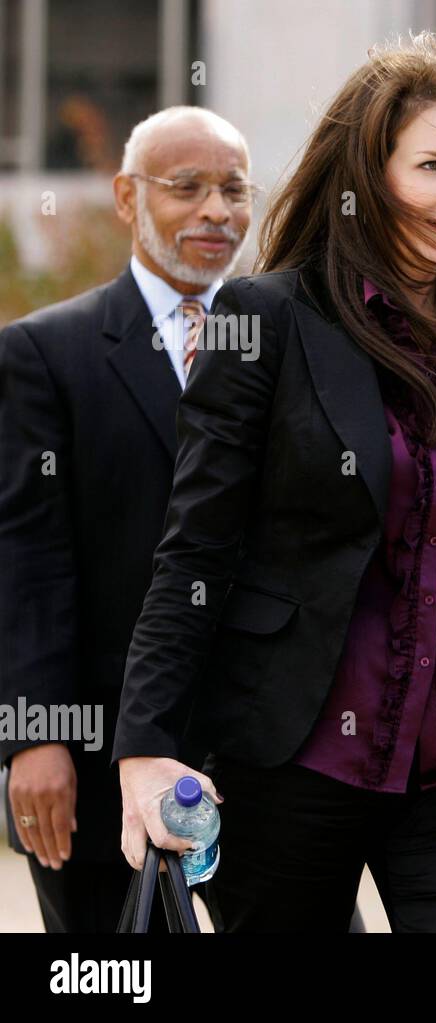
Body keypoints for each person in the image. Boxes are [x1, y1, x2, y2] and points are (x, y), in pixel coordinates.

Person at [112, 31, 436, 933]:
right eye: (434, 165)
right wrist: (145, 746)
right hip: (290, 759)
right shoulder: (266, 318)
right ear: (366, 175)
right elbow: (196, 547)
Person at [0, 107, 252, 932]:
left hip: (265, 740)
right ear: (124, 196)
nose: (216, 210)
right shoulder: (44, 354)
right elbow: (27, 557)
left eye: (233, 189)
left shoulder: (284, 344)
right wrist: (33, 736)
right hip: (99, 744)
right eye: (188, 188)